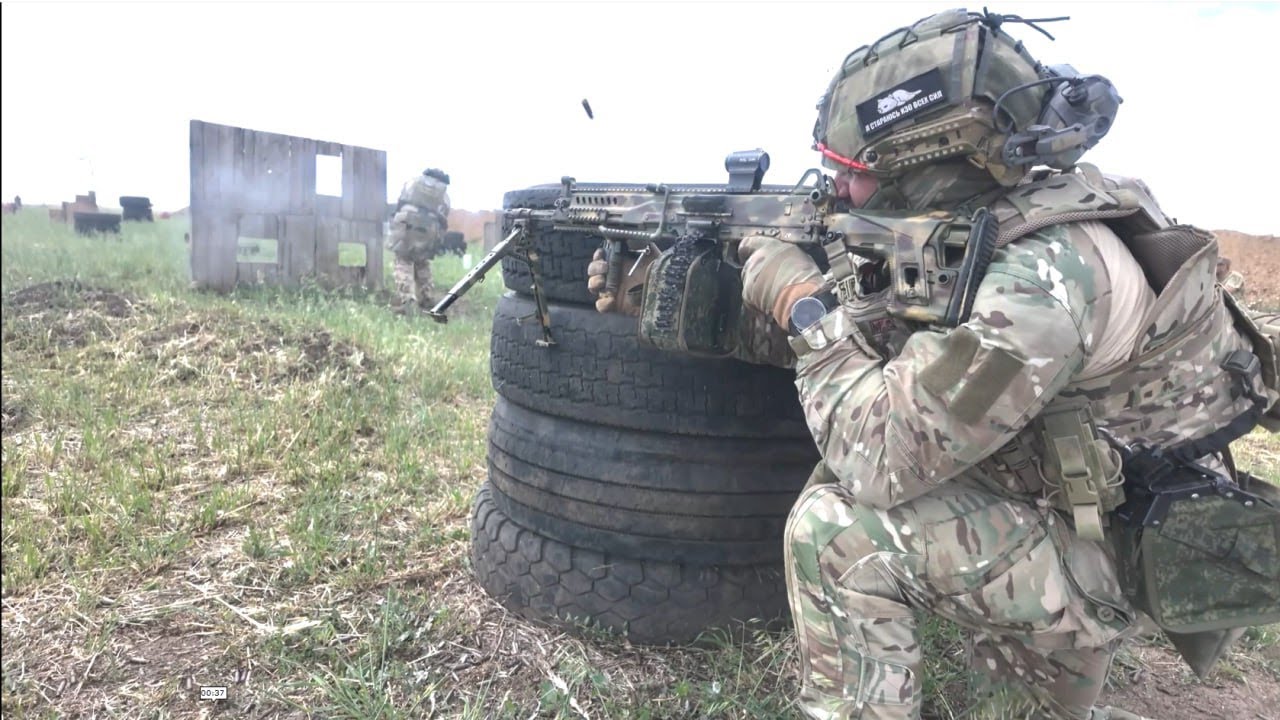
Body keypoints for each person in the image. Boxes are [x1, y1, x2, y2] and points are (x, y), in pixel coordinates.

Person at [585, 8, 1278, 720]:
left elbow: (878, 456)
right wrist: (682, 300)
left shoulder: (1039, 283)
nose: (832, 187)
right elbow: (881, 343)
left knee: (838, 529)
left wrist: (802, 306)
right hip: (1060, 499)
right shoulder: (981, 225)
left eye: (853, 172)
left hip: (1115, 547)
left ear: (931, 171)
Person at [387, 168, 451, 312]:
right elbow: (444, 215)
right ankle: (426, 297)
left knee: (403, 260)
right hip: (430, 227)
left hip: (406, 222)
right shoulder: (443, 193)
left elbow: (401, 202)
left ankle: (407, 299)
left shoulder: (413, 183)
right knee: (422, 262)